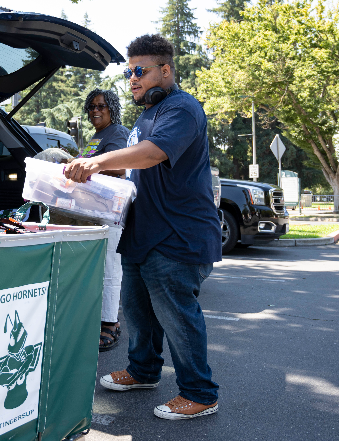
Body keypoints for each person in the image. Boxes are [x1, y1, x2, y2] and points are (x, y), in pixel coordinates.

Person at [63, 34, 222, 420]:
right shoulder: (147, 115)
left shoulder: (182, 109)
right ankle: (143, 370)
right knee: (138, 311)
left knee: (177, 316)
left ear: (165, 70)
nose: (132, 78)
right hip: (143, 232)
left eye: (141, 71)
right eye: (129, 72)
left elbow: (153, 154)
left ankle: (200, 393)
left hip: (178, 235)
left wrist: (97, 164)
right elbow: (133, 167)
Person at [80, 88, 130, 351]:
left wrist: (86, 166)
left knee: (111, 268)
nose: (95, 110)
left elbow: (122, 168)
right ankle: (99, 318)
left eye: (101, 106)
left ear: (112, 109)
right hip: (94, 212)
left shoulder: (118, 133)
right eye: (91, 107)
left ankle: (110, 323)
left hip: (110, 211)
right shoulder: (98, 137)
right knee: (99, 267)